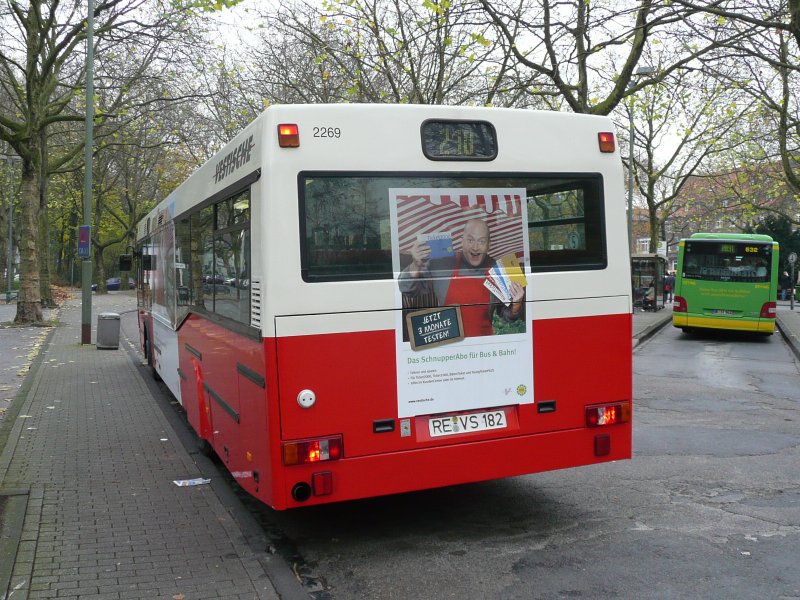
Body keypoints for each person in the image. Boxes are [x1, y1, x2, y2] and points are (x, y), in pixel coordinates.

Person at [399, 219, 525, 337]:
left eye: (481, 241)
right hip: (447, 343)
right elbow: (407, 290)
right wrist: (415, 265)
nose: (475, 247)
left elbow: (506, 316)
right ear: (462, 241)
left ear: (488, 244)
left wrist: (516, 305)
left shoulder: (498, 270)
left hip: (483, 345)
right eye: (470, 240)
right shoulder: (442, 264)